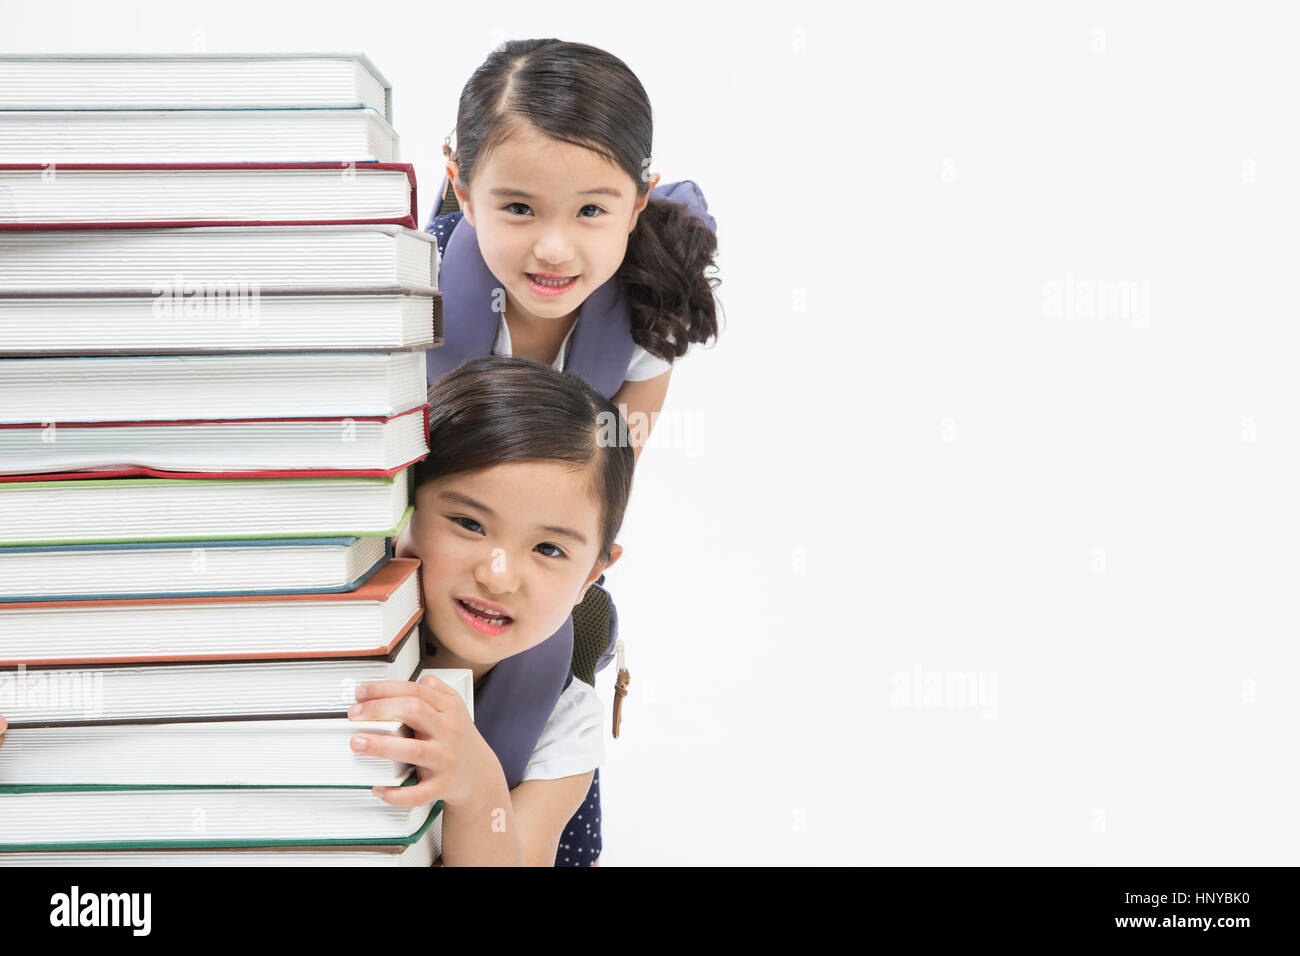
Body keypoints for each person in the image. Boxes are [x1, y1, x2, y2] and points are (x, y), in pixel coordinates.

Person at [424, 37, 721, 866]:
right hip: (422, 538)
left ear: (638, 202)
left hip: (531, 554)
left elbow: (604, 485)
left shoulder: (642, 332)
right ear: (462, 185)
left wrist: (550, 563)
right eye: (517, 209)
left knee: (583, 623)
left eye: (591, 211)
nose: (554, 249)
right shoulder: (411, 302)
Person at [350, 355, 636, 865]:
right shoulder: (322, 632)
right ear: (401, 508)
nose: (497, 576)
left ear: (590, 577)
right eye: (469, 523)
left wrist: (479, 791)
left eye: (549, 550)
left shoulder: (566, 722)